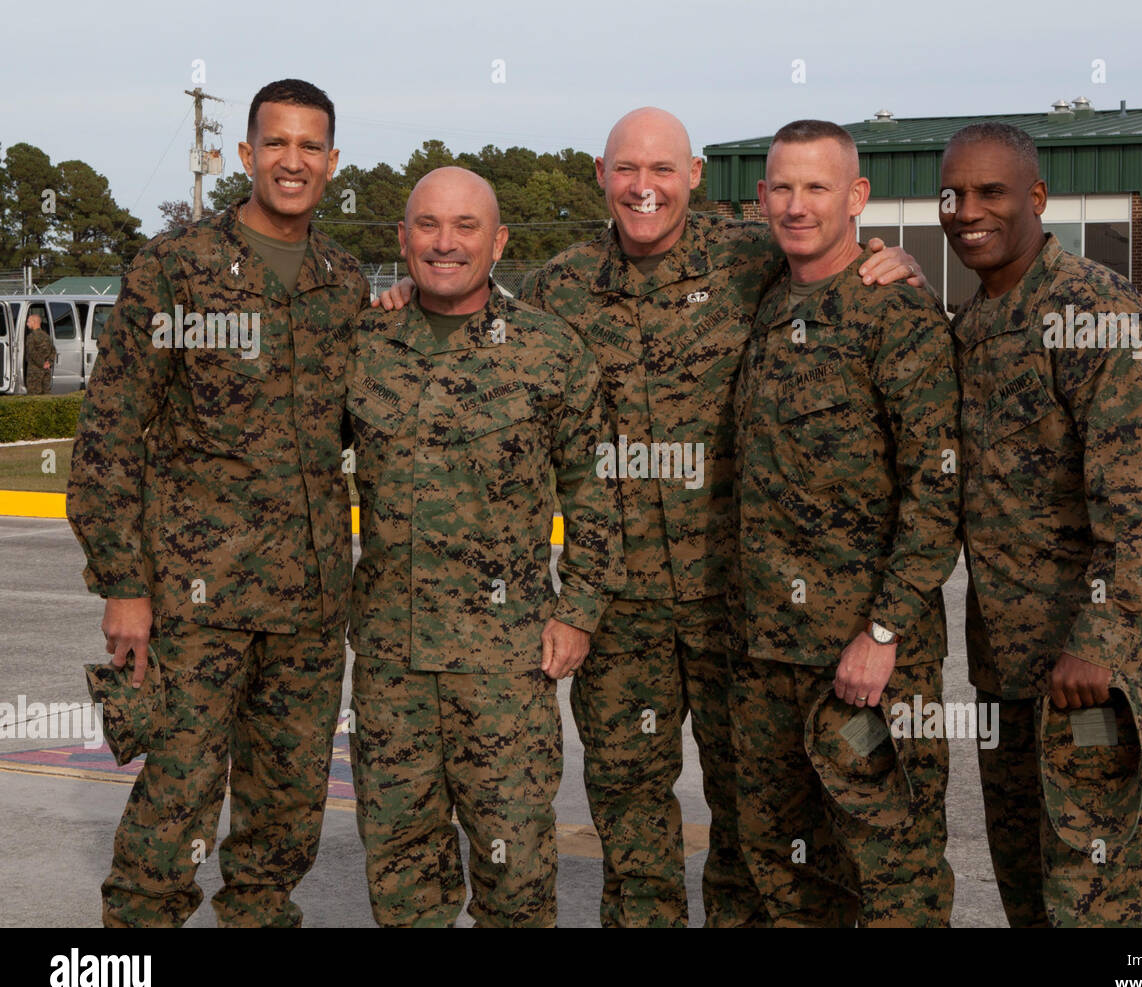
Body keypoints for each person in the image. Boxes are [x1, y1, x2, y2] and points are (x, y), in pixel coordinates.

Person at [380, 107, 925, 927]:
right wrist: (401, 296)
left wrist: (894, 258)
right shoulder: (561, 286)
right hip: (619, 613)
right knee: (630, 817)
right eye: (627, 170)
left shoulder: (753, 257)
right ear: (601, 176)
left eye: (663, 170)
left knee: (754, 816)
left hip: (738, 607)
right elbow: (470, 324)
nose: (644, 188)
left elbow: (834, 258)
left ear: (694, 176)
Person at [66, 79, 370, 927]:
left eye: (310, 146)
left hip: (309, 608)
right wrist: (124, 588)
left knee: (285, 822)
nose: (292, 161)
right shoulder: (175, 268)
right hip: (196, 604)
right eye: (276, 143)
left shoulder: (345, 283)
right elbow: (109, 437)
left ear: (332, 163)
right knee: (174, 813)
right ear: (245, 154)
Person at [346, 166, 624, 927]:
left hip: (505, 667)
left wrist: (580, 611)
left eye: (466, 226)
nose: (446, 243)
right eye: (428, 225)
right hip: (392, 665)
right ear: (403, 239)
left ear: (498, 242)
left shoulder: (548, 350)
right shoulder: (363, 343)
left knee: (516, 876)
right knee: (400, 873)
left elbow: (597, 490)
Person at [940, 121, 1142, 927]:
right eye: (953, 194)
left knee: (1092, 901)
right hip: (1010, 670)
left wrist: (1100, 641)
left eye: (991, 192)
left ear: (1038, 197)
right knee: (1028, 894)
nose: (966, 211)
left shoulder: (1097, 314)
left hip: (1097, 676)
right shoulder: (974, 327)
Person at [729, 120, 961, 927]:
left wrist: (885, 630)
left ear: (856, 196)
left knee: (894, 867)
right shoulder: (764, 299)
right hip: (768, 656)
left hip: (866, 661)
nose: (797, 206)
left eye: (817, 187)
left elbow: (937, 488)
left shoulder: (895, 313)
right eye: (782, 188)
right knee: (785, 870)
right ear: (762, 198)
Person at [24, 311, 55, 394]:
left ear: (34, 322)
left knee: (34, 395)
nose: (27, 324)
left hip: (34, 371)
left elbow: (32, 353)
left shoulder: (31, 337)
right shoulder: (47, 336)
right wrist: (49, 363)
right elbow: (53, 351)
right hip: (46, 370)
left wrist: (42, 364)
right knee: (45, 394)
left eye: (28, 321)